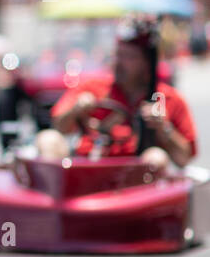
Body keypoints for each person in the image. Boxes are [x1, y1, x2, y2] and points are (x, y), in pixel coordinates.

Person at [35, 16, 196, 170]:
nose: (119, 62)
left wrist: (163, 128)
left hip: (136, 181)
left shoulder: (167, 98)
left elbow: (184, 159)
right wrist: (76, 110)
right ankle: (53, 198)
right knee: (48, 139)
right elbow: (58, 126)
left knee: (156, 157)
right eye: (118, 54)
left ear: (147, 63)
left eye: (129, 57)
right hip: (86, 171)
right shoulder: (93, 86)